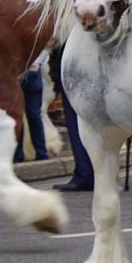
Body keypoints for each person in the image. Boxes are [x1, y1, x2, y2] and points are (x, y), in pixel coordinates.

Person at [52, 45, 94, 192]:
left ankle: (85, 175)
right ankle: (93, 174)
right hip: (91, 73)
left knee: (77, 126)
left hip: (74, 74)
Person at [14, 50, 49, 163]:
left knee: (34, 115)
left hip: (32, 73)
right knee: (18, 117)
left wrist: (36, 63)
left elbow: (44, 45)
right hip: (14, 74)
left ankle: (42, 154)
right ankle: (18, 156)